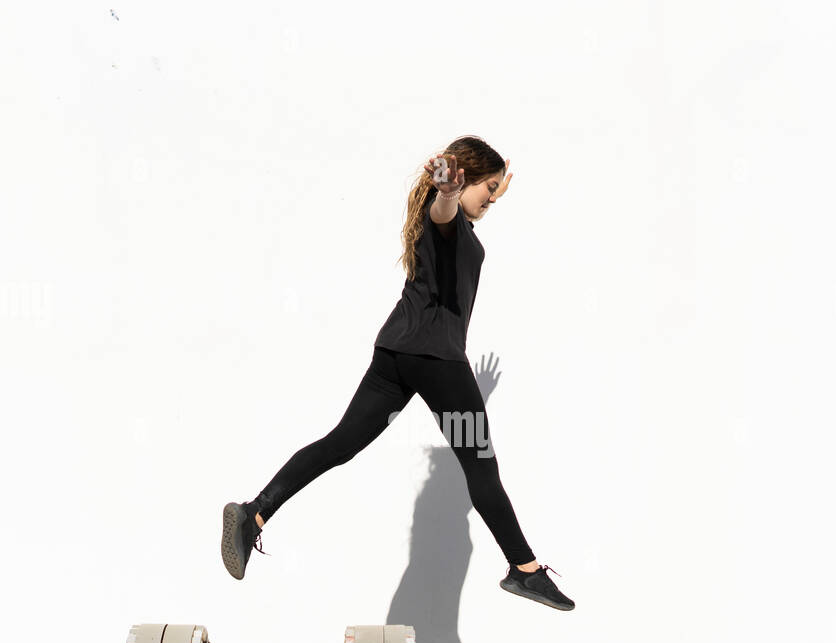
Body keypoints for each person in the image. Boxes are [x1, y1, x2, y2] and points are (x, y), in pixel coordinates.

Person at [221, 136, 574, 611]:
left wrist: (477, 195)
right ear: (462, 177)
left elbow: (457, 213)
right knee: (481, 468)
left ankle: (254, 513)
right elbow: (445, 210)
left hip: (395, 354)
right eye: (488, 187)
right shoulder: (443, 214)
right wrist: (450, 191)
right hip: (436, 362)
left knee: (341, 443)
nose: (493, 197)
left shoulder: (458, 225)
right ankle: (525, 569)